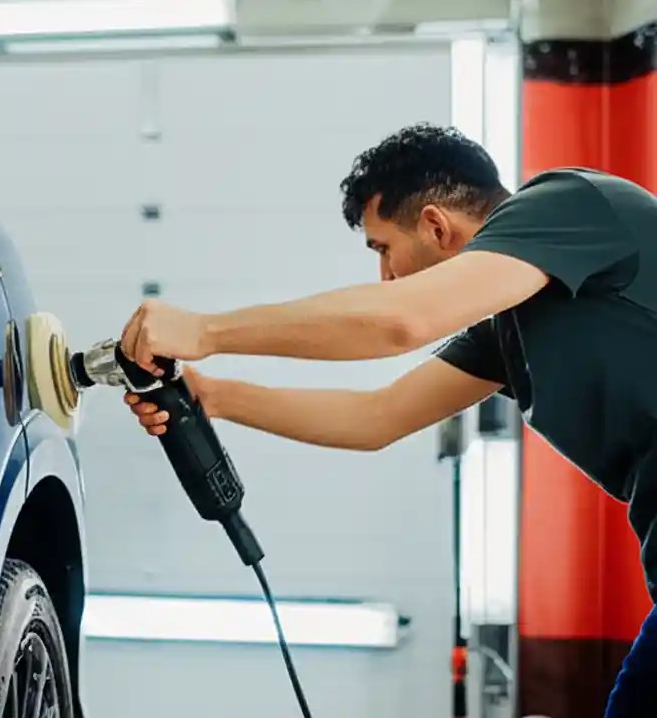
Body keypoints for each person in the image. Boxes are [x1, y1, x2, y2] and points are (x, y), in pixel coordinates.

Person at [119, 123, 657, 716]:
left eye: (382, 249)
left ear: (435, 225)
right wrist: (214, 397)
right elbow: (376, 418)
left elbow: (401, 321)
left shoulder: (567, 202)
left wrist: (206, 331)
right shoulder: (508, 329)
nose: (385, 277)